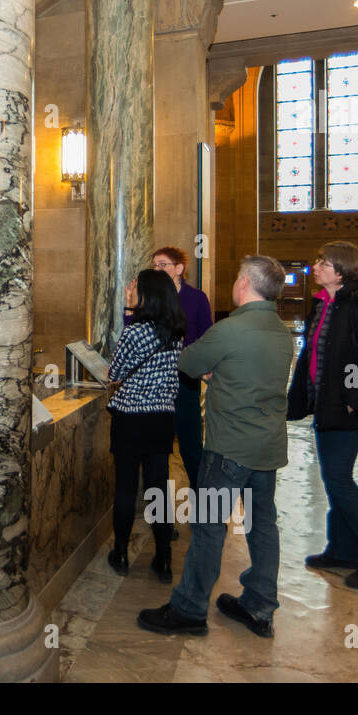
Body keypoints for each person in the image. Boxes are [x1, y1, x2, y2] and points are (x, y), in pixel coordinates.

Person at [137, 255, 294, 638]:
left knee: (208, 527)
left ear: (245, 284)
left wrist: (212, 370)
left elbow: (189, 362)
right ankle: (259, 607)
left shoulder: (231, 329)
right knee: (263, 525)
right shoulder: (281, 330)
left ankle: (189, 608)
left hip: (229, 447)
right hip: (268, 446)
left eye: (238, 277)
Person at [286, 241, 358, 590]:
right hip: (327, 405)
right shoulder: (323, 305)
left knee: (339, 480)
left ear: (341, 271)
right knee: (333, 477)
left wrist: (357, 401)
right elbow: (313, 357)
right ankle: (343, 550)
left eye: (323, 262)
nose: (316, 266)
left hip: (347, 409)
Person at [105, 269, 185, 583]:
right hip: (162, 418)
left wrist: (127, 313)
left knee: (125, 487)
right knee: (158, 489)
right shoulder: (176, 332)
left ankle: (121, 553)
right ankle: (163, 557)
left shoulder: (135, 331)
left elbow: (115, 371)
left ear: (147, 295)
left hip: (130, 418)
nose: (131, 289)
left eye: (136, 285)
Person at [151, 246, 214, 494]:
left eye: (162, 264)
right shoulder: (153, 298)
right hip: (157, 382)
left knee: (191, 444)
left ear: (179, 269)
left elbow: (206, 335)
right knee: (159, 448)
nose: (157, 269)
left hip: (186, 380)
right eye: (154, 265)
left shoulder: (196, 298)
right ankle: (161, 516)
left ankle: (203, 503)